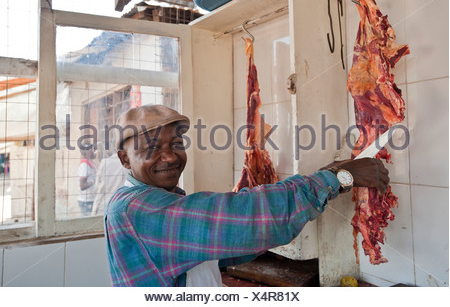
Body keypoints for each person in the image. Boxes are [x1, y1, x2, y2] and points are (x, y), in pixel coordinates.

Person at [104, 105, 389, 287]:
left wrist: (331, 175)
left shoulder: (160, 198)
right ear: (125, 160)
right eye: (151, 148)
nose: (169, 156)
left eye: (176, 143)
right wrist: (339, 178)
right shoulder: (135, 209)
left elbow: (234, 242)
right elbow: (241, 218)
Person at [92, 150, 128, 215]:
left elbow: (97, 185)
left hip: (104, 204)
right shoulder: (127, 164)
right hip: (120, 204)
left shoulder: (104, 162)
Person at [77, 142, 96, 216]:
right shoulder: (84, 165)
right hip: (86, 201)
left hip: (91, 199)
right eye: (91, 150)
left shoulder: (91, 163)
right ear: (85, 152)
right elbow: (82, 186)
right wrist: (94, 182)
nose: (93, 151)